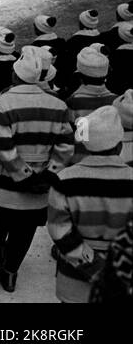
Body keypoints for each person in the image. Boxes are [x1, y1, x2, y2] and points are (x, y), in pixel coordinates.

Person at [0, 53, 74, 294]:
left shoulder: (2, 104)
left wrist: (24, 175)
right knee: (24, 232)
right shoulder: (58, 105)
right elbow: (66, 145)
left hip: (5, 181)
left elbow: (4, 147)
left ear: (15, 75)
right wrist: (49, 174)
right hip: (41, 183)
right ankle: (11, 272)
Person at [46, 106, 133, 303]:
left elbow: (59, 230)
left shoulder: (65, 180)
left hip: (74, 279)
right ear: (119, 145)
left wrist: (93, 265)